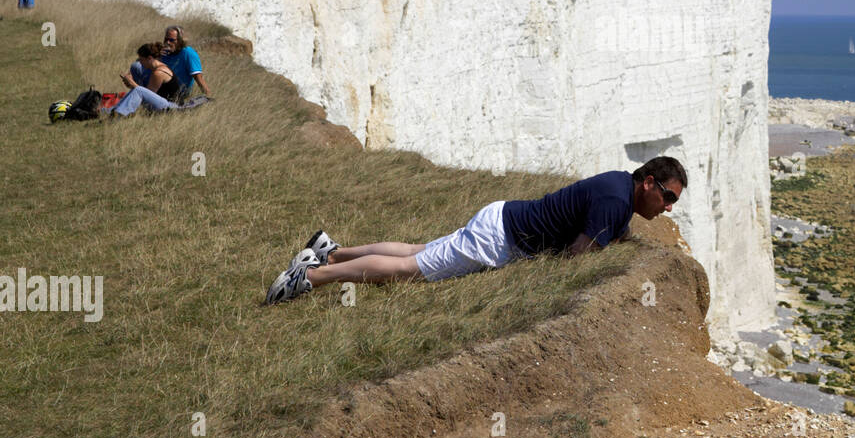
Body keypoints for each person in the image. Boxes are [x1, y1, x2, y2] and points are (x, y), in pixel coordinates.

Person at [266, 156, 688, 304]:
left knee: (418, 248)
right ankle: (310, 277)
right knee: (408, 268)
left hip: (503, 218)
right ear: (648, 183)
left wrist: (619, 237)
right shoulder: (616, 199)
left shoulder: (619, 186)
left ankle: (331, 251)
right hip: (499, 239)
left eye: (673, 203)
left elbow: (613, 231)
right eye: (667, 197)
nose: (667, 207)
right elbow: (579, 256)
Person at [111, 42, 181, 117]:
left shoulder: (158, 73)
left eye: (141, 60)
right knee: (136, 70)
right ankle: (116, 110)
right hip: (164, 103)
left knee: (138, 90)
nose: (140, 63)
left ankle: (119, 114)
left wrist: (132, 83)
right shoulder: (158, 68)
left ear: (149, 58)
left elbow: (146, 96)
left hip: (170, 107)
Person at [160, 24, 213, 99]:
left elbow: (199, 79)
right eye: (166, 39)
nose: (168, 42)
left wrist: (208, 98)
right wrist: (156, 57)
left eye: (171, 40)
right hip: (161, 88)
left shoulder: (188, 53)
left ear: (180, 41)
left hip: (178, 95)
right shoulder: (163, 53)